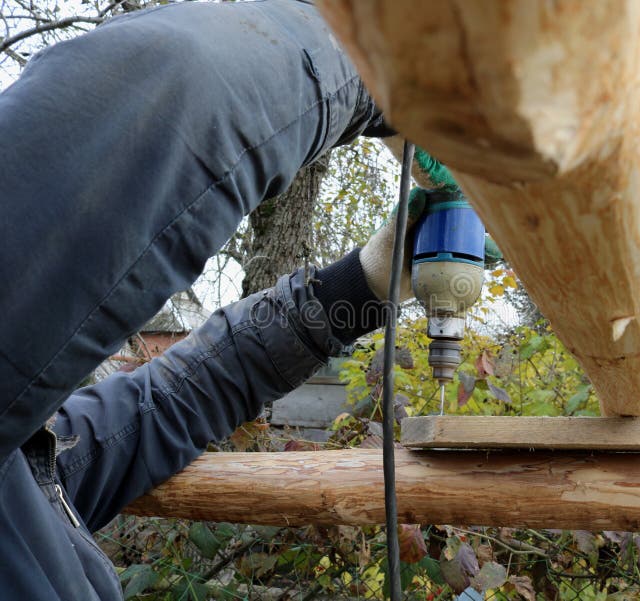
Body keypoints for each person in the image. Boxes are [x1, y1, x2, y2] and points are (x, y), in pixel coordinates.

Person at [0, 1, 414, 598]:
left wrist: (362, 286)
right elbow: (164, 86)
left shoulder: (24, 481)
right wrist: (388, 63)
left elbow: (168, 405)